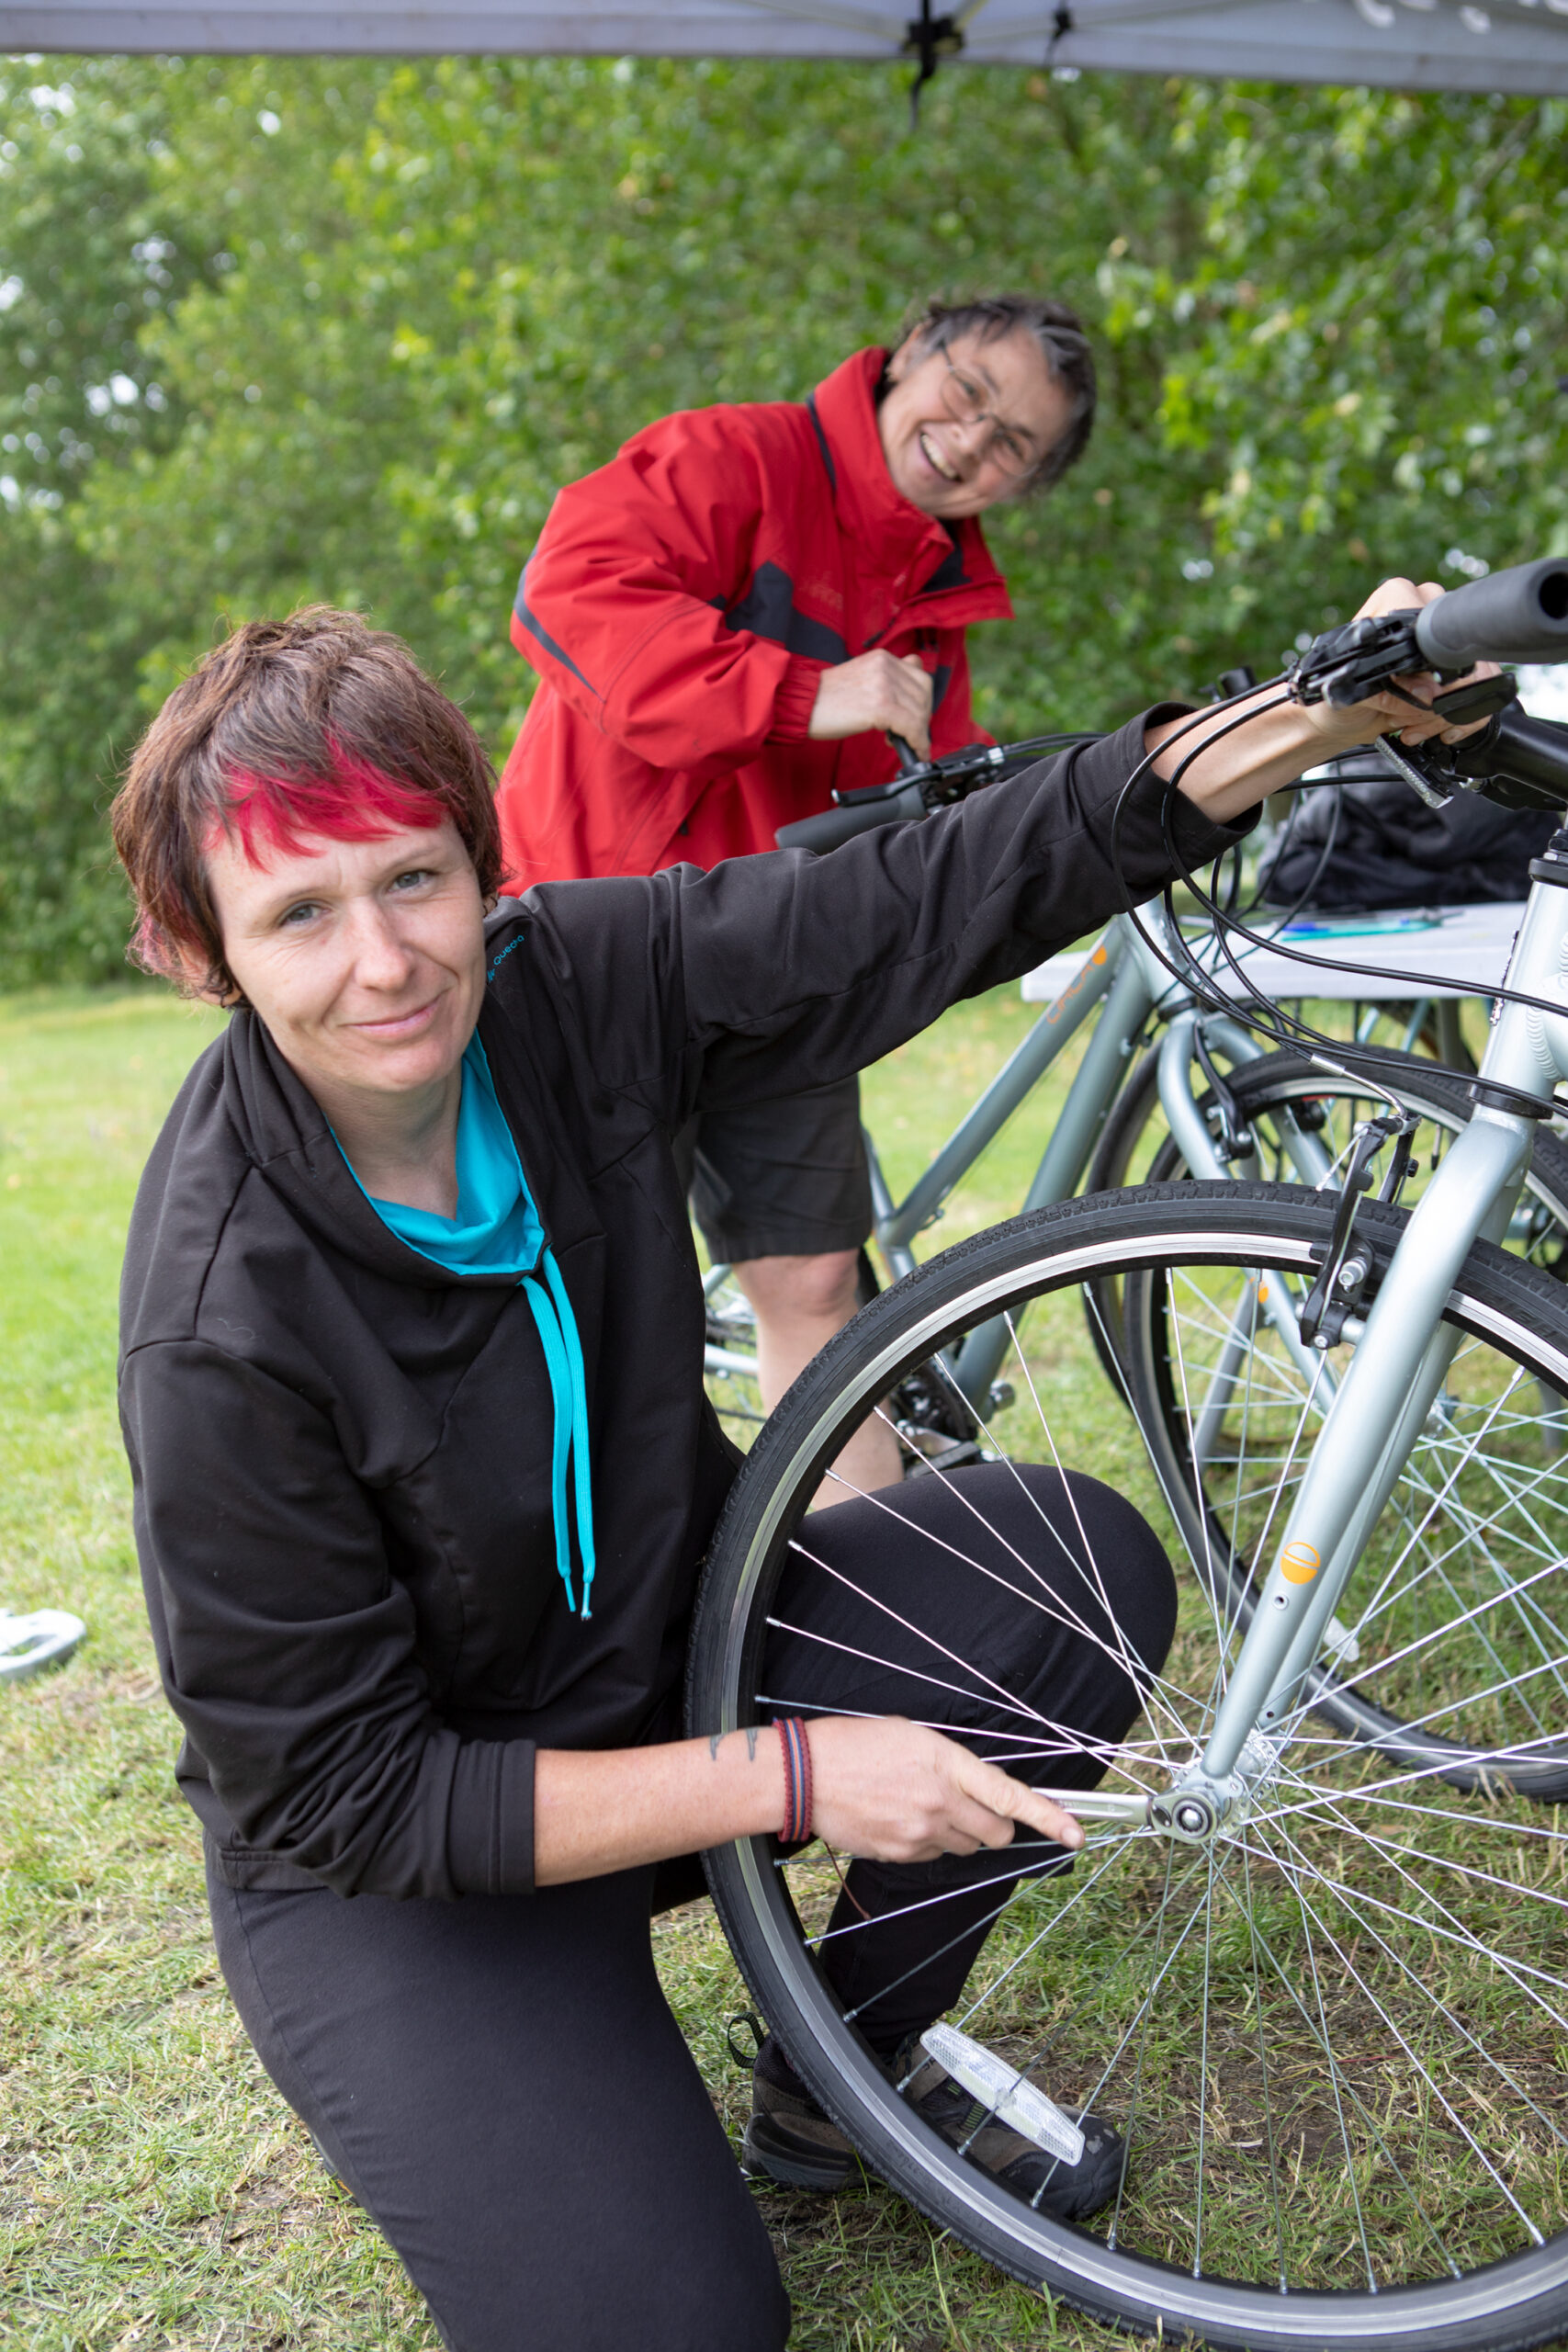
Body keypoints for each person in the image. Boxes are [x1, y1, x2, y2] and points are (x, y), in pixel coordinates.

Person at [112, 589, 1481, 2352]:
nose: (383, 962)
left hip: (670, 1652)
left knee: (1068, 1569)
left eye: (414, 878)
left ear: (479, 857)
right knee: (676, 2328)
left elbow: (912, 893)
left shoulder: (576, 981)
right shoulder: (221, 1317)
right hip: (414, 1866)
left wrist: (1307, 722)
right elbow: (352, 1799)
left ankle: (842, 2085)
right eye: (298, 914)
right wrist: (789, 1774)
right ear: (205, 950)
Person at [494, 296, 1097, 1496]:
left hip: (777, 967)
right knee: (595, 1299)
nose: (973, 441)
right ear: (912, 353)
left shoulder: (936, 606)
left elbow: (937, 805)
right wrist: (798, 692)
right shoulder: (735, 458)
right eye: (970, 393)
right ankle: (593, 1630)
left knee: (817, 1285)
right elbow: (570, 593)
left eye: (1014, 444)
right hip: (599, 939)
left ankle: (859, 1619)